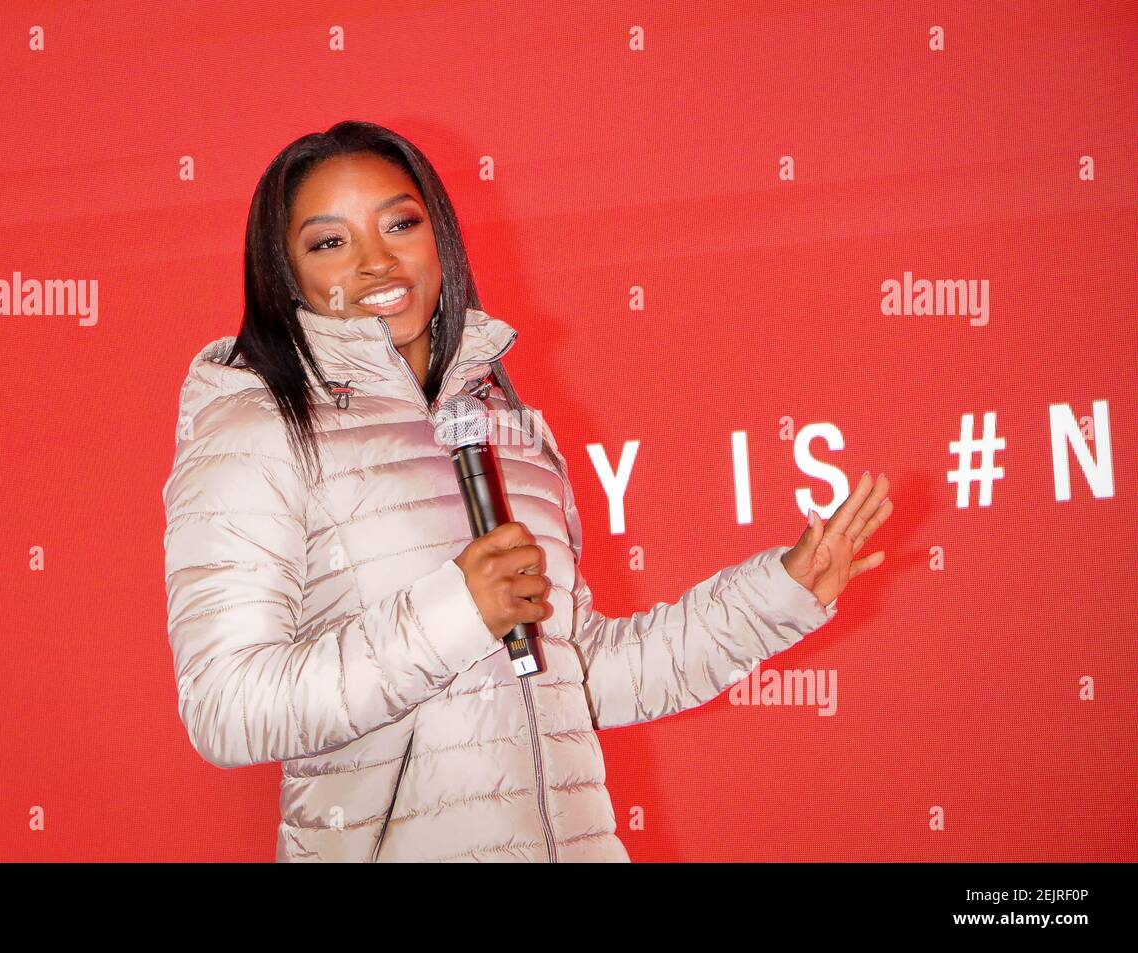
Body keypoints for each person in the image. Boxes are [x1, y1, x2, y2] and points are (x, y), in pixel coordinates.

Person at [162, 120, 892, 862]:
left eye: (400, 223)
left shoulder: (504, 426)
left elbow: (577, 678)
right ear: (285, 274)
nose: (377, 261)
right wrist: (458, 608)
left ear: (437, 235)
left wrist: (780, 594)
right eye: (330, 241)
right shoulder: (256, 426)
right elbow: (227, 705)